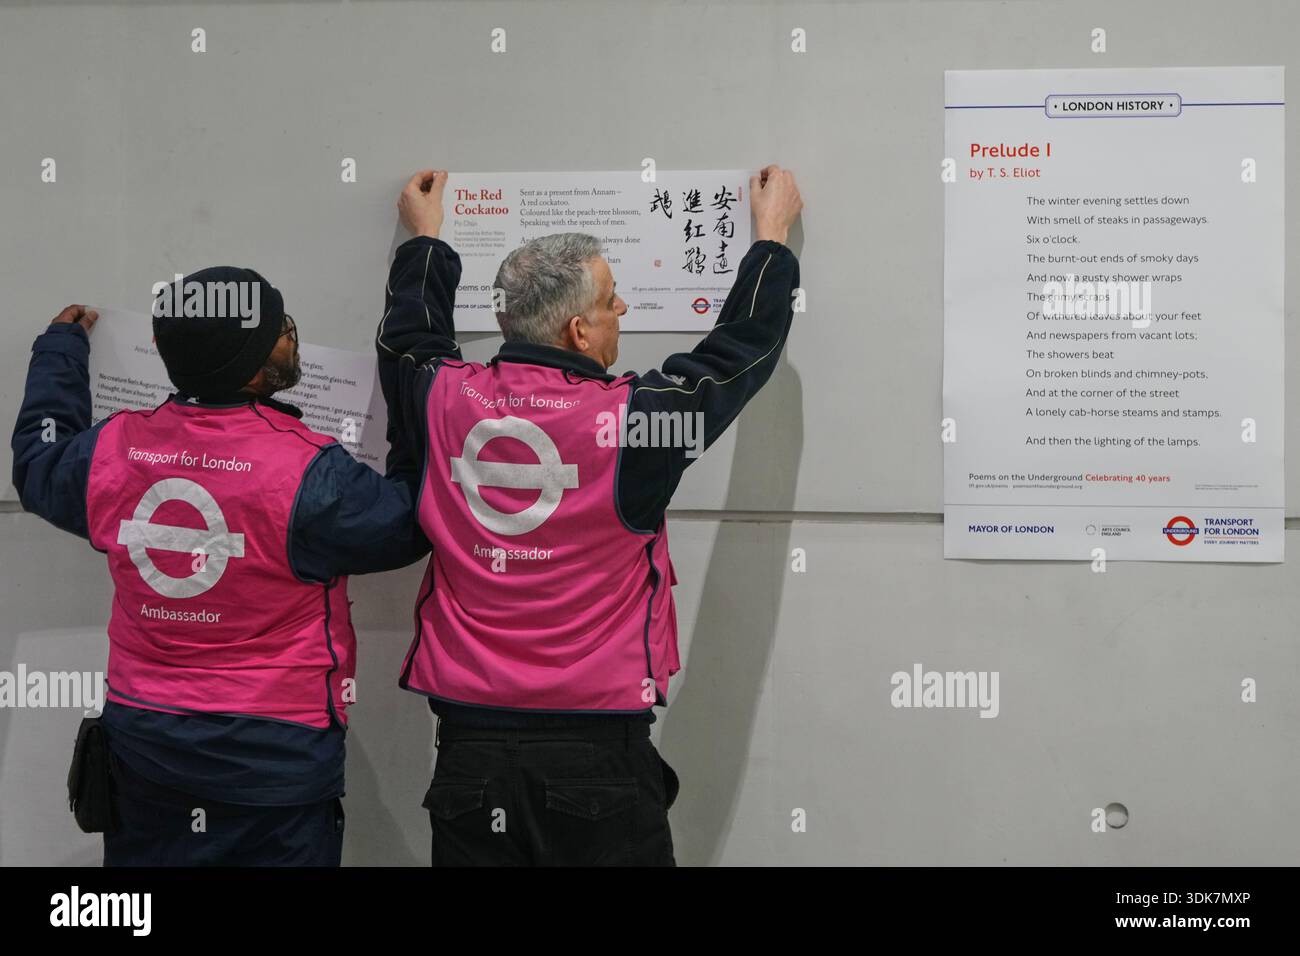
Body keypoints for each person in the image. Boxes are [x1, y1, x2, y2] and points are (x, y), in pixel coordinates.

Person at [377, 166, 803, 865]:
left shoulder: (439, 400)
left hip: (468, 757)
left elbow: (408, 339)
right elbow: (736, 357)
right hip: (597, 753)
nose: (624, 310)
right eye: (613, 301)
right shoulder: (635, 425)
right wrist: (771, 240)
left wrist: (425, 239)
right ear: (579, 330)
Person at [11, 270, 429, 865]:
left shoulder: (112, 449)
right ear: (255, 369)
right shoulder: (311, 470)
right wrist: (410, 439)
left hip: (145, 755)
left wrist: (58, 351)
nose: (292, 338)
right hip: (275, 765)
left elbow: (38, 463)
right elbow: (408, 524)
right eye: (281, 331)